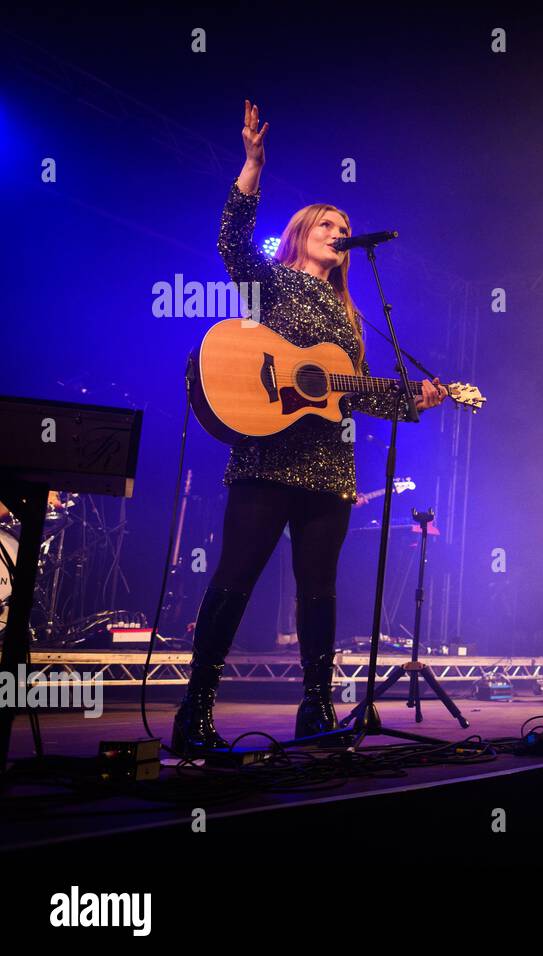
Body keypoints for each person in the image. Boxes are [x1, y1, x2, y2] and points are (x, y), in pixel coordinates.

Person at [172, 101, 448, 755]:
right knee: (235, 577)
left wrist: (420, 398)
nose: (340, 229)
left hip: (328, 468)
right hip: (266, 456)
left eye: (345, 224)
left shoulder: (354, 317)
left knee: (319, 593)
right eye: (328, 222)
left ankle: (318, 708)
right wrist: (252, 165)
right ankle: (195, 711)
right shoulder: (272, 283)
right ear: (302, 232)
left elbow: (353, 394)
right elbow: (231, 243)